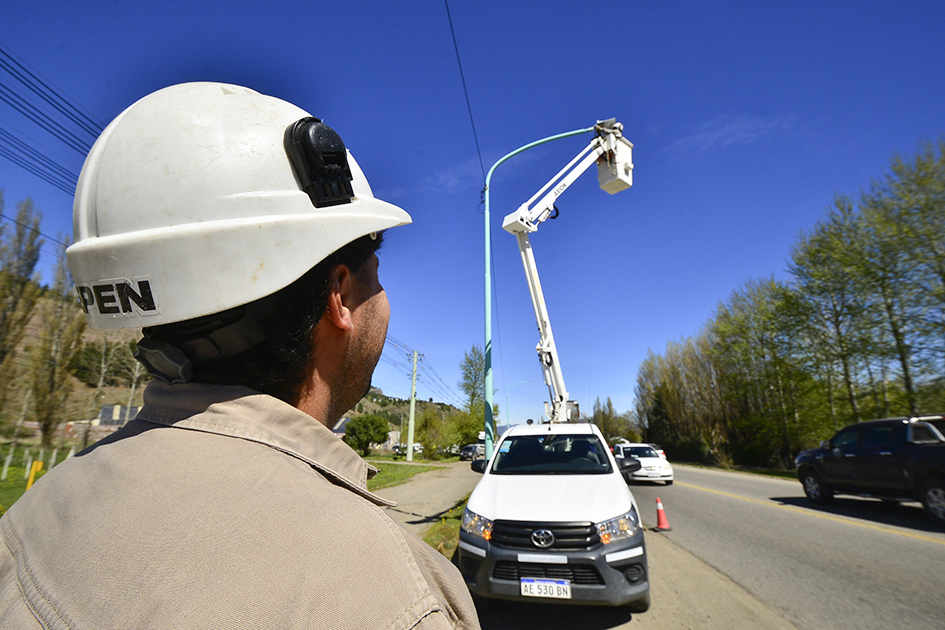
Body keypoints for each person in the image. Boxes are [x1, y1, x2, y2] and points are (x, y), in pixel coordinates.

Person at [0, 82, 480, 630]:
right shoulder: (397, 598)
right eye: (378, 276)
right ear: (339, 295)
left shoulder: (33, 513)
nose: (384, 300)